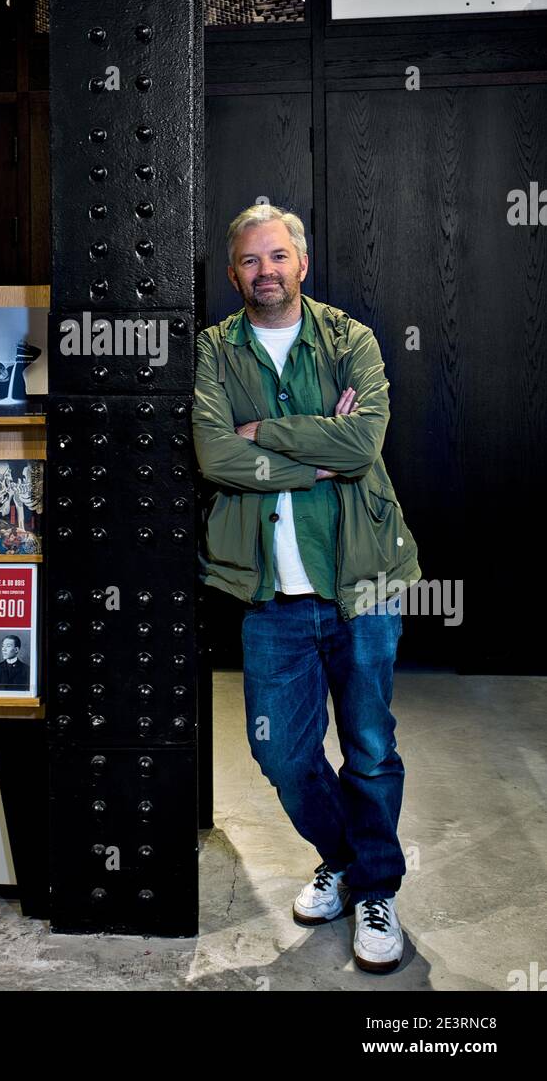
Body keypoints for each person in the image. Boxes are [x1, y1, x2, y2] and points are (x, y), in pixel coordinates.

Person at [192, 202, 421, 974]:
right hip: (272, 595)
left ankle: (376, 888)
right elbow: (215, 457)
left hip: (362, 581)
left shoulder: (349, 338)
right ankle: (349, 859)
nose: (266, 272)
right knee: (283, 756)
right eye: (252, 262)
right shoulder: (215, 352)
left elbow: (362, 443)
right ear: (234, 274)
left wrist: (268, 433)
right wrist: (316, 449)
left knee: (369, 745)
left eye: (278, 256)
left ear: (302, 262)